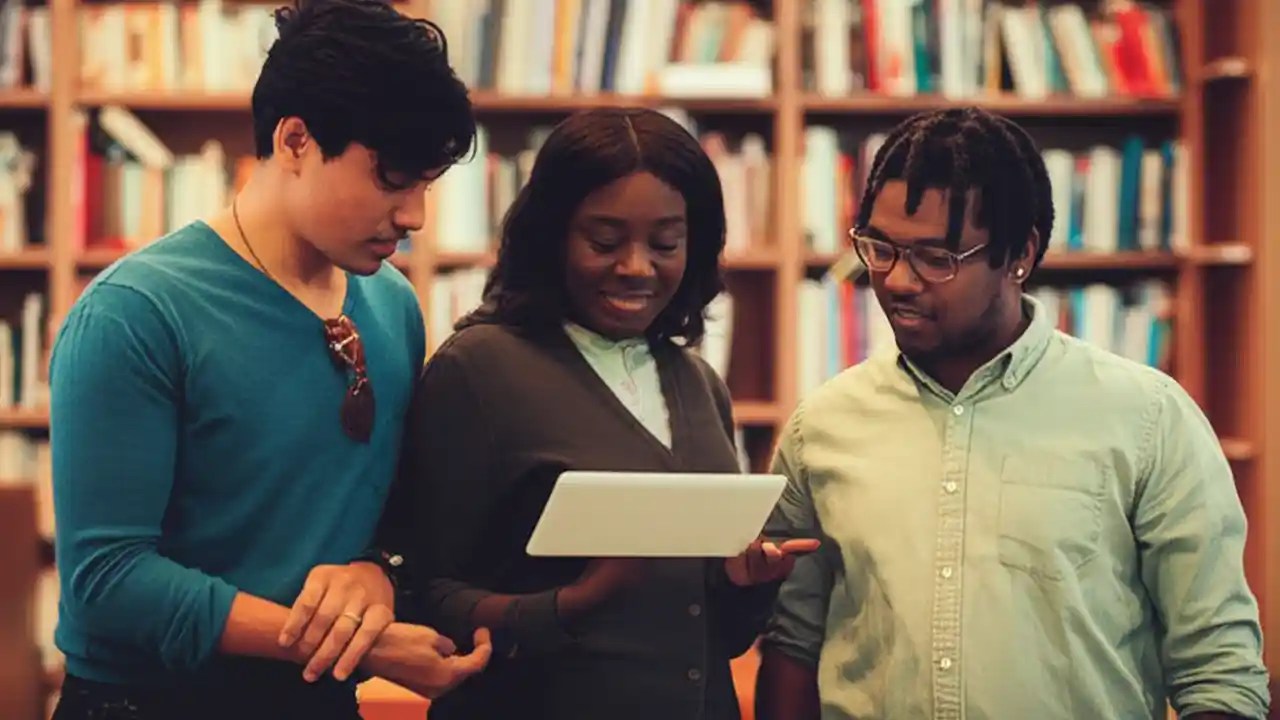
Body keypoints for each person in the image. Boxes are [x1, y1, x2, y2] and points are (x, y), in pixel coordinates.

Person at [47, 2, 492, 718]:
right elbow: (107, 582)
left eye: (427, 186)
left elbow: (396, 511)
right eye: (392, 180)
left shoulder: (392, 306)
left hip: (318, 699)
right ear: (294, 141)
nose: (414, 216)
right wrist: (346, 643)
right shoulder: (135, 312)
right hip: (148, 702)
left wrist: (377, 575)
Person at [753, 106, 1271, 720]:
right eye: (880, 248)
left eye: (935, 258)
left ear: (1019, 254)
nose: (897, 281)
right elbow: (792, 643)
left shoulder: (1148, 420)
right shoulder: (822, 428)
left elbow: (1218, 670)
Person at [373, 106, 818, 720]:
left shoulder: (697, 382)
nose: (637, 267)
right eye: (604, 242)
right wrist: (570, 605)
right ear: (552, 236)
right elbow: (421, 593)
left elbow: (709, 631)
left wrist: (744, 586)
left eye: (666, 244)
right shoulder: (479, 369)